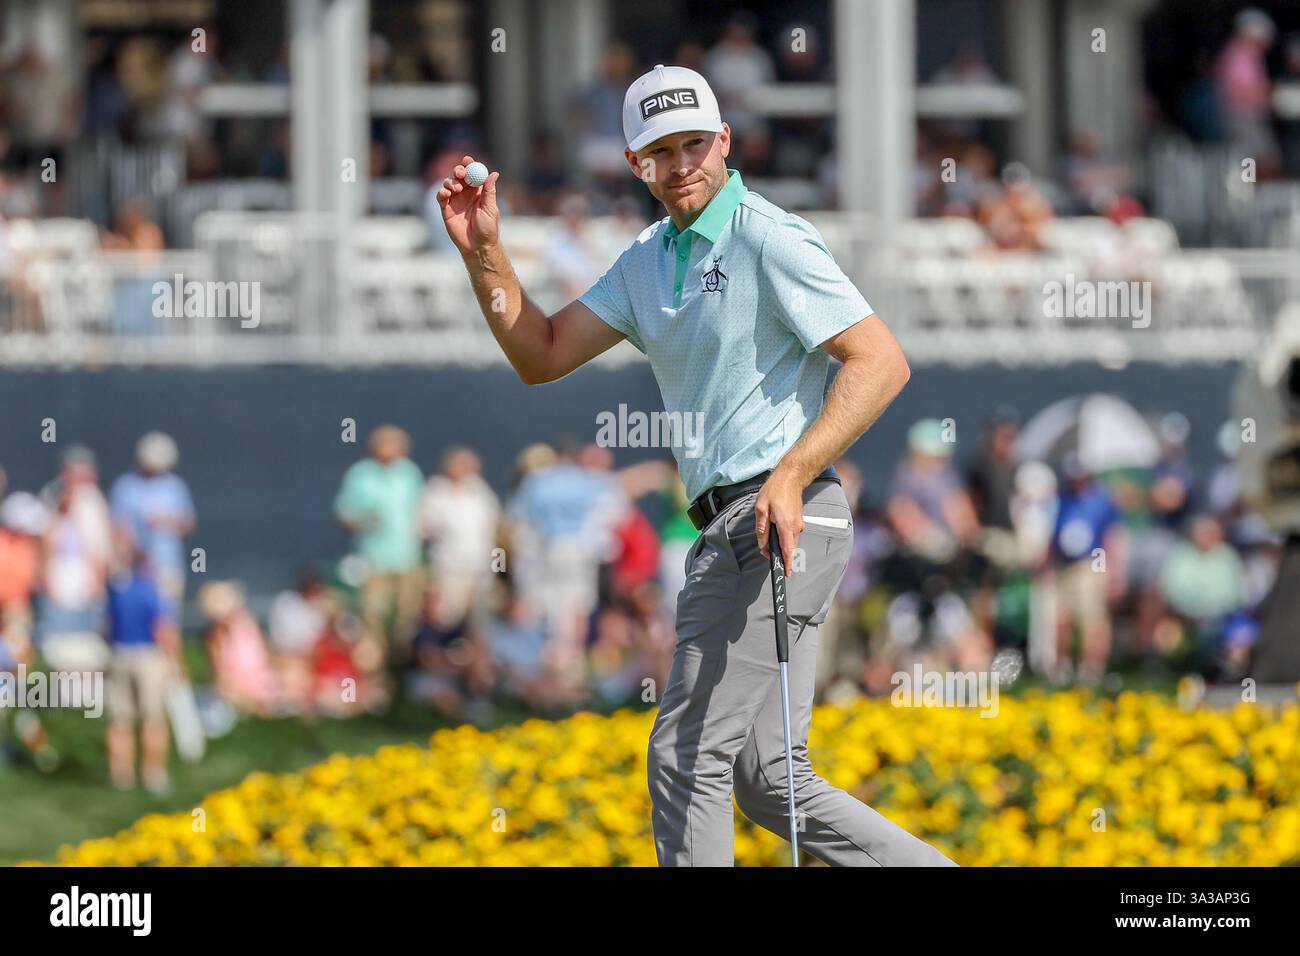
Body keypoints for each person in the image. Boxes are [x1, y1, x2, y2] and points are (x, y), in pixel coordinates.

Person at [437, 64, 952, 866]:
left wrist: (788, 472)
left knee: (685, 758)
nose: (681, 166)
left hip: (781, 513)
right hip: (747, 523)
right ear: (635, 165)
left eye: (694, 145)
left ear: (724, 142)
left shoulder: (768, 236)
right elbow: (539, 354)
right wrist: (486, 254)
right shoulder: (647, 259)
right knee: (769, 781)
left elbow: (880, 363)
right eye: (660, 152)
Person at [334, 425, 425, 669]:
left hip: (407, 559)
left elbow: (419, 512)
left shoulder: (409, 473)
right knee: (372, 616)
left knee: (407, 618)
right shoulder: (360, 475)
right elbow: (344, 516)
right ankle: (376, 673)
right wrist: (364, 520)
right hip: (374, 560)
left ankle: (401, 670)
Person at [105, 537, 181, 793]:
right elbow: (163, 629)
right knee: (153, 719)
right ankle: (154, 775)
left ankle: (121, 776)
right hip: (148, 657)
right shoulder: (151, 591)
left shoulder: (115, 590)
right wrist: (174, 663)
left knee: (120, 722)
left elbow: (107, 627)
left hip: (118, 655)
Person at [109, 432, 196, 615]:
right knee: (133, 616)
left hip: (166, 564)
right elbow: (116, 526)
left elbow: (188, 524)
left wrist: (165, 521)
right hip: (132, 567)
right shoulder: (126, 486)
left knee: (166, 618)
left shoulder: (174, 486)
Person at [419, 446, 500, 630]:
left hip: (480, 565)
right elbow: (424, 530)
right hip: (448, 566)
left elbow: (493, 528)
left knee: (480, 618)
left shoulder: (480, 490)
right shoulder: (436, 491)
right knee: (446, 616)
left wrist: (496, 566)